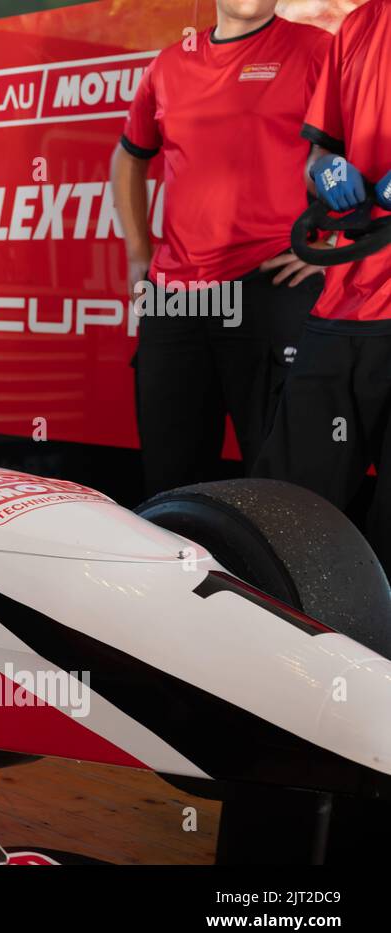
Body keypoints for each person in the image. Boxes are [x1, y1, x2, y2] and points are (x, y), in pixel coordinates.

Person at [111, 1, 331, 496]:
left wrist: (334, 242)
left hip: (269, 285)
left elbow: (365, 144)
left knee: (280, 483)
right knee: (170, 480)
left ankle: (276, 577)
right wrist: (138, 254)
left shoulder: (315, 50)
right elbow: (128, 156)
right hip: (176, 298)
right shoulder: (169, 65)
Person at [254, 0, 391, 567]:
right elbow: (319, 151)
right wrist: (327, 171)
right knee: (286, 517)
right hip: (342, 308)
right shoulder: (361, 24)